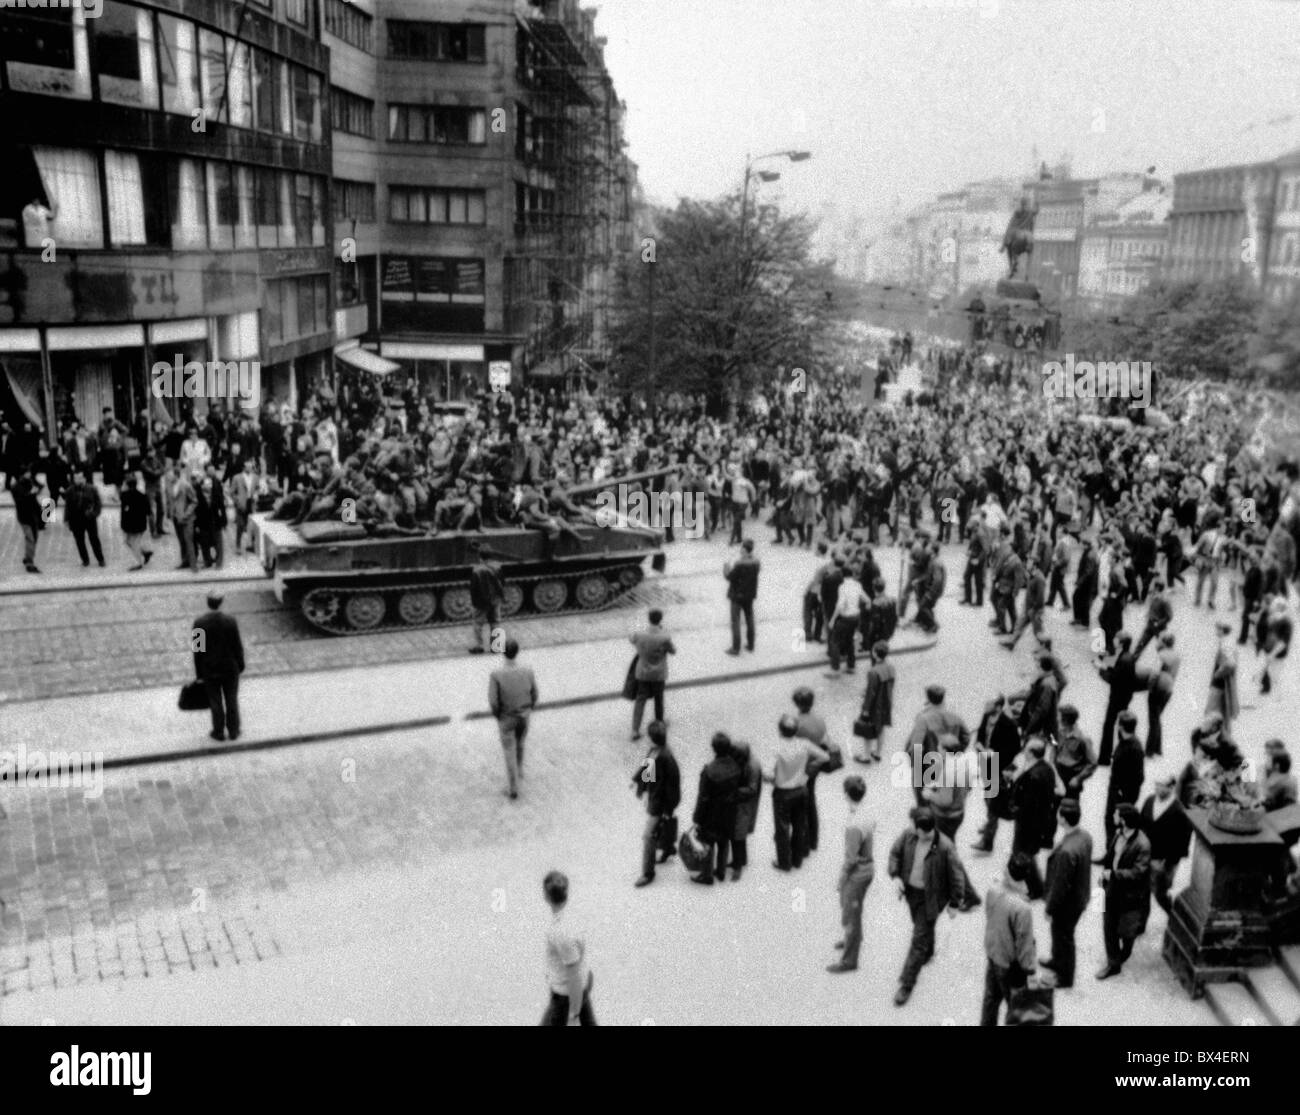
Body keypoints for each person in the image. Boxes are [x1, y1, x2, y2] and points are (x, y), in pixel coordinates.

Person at [887, 806, 965, 1006]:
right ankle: (928, 951)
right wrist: (895, 876)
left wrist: (955, 903)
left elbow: (957, 877)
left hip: (931, 899)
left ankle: (907, 983)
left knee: (918, 939)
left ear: (925, 830)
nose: (915, 832)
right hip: (911, 894)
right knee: (923, 928)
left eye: (918, 830)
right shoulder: (909, 835)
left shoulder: (945, 847)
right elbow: (895, 853)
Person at [765, 714, 829, 872]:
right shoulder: (804, 744)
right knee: (800, 825)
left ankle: (784, 863)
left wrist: (772, 780)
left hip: (782, 793)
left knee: (782, 829)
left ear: (780, 731)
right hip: (801, 789)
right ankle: (797, 859)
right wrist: (807, 773)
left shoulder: (776, 748)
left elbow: (768, 774)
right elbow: (825, 757)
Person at [981, 852, 1038, 1026]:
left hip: (993, 954)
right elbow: (1024, 943)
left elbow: (990, 915)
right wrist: (1030, 970)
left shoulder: (993, 890)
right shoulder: (1022, 907)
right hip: (1010, 965)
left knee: (991, 1000)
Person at [1097, 803, 1152, 980]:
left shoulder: (1143, 844)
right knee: (1108, 925)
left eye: (1116, 814)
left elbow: (1138, 872)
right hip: (1110, 887)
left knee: (1127, 929)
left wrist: (1113, 874)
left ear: (1123, 820)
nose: (1113, 816)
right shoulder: (1119, 833)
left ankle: (1126, 950)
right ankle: (1113, 964)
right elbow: (1112, 855)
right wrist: (1104, 871)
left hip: (1129, 894)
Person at [827, 776, 875, 974]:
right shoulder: (866, 812)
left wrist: (841, 879)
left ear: (847, 794)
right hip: (867, 868)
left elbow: (851, 859)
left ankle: (849, 960)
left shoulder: (853, 825)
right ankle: (853, 938)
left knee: (850, 913)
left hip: (857, 873)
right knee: (854, 910)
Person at [1043, 798, 1092, 988]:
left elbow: (1060, 885)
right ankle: (1056, 961)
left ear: (1062, 819)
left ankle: (1064, 978)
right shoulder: (1084, 836)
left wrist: (1049, 908)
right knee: (1059, 933)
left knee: (1064, 937)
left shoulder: (1066, 851)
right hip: (1079, 897)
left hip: (1067, 904)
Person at [540, 870, 596, 1026]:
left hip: (565, 995)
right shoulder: (573, 915)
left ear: (546, 896)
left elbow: (573, 975)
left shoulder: (560, 932)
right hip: (582, 982)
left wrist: (574, 1014)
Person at [972, 692, 1025, 853]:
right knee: (988, 798)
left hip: (997, 766)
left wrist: (994, 755)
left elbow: (1015, 748)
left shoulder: (1008, 724)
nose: (986, 706)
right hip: (985, 763)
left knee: (993, 802)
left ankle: (988, 840)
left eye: (990, 704)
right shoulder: (986, 717)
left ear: (999, 707)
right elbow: (980, 735)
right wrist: (979, 746)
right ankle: (990, 822)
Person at [1009, 736, 1058, 900]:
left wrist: (1015, 811)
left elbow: (1028, 805)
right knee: (1027, 853)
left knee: (1023, 854)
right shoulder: (1046, 768)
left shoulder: (1033, 775)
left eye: (1026, 749)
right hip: (1041, 820)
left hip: (1028, 823)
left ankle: (1035, 889)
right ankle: (1034, 884)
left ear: (1031, 753)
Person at [192, 590, 245, 742]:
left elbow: (198, 650)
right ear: (221, 602)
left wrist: (199, 673)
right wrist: (240, 665)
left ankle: (218, 732)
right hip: (230, 667)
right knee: (232, 700)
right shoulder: (231, 621)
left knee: (215, 702)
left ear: (208, 603)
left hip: (210, 669)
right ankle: (234, 731)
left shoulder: (199, 623)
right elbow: (237, 645)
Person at [488, 637, 537, 800]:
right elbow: (534, 694)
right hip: (524, 715)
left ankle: (513, 788)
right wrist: (528, 709)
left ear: (503, 653)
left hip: (506, 718)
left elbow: (494, 702)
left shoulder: (496, 674)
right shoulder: (528, 670)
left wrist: (499, 716)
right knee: (520, 743)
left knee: (509, 750)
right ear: (517, 652)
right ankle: (520, 770)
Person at [633, 720, 681, 887]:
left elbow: (671, 784)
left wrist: (668, 807)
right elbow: (647, 771)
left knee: (648, 836)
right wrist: (640, 783)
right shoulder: (658, 752)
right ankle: (668, 848)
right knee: (662, 825)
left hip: (660, 802)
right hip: (658, 799)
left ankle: (648, 873)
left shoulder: (664, 756)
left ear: (652, 738)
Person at [690, 733, 742, 885]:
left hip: (712, 815)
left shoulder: (709, 771)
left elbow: (703, 797)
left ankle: (707, 875)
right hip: (729, 813)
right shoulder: (735, 766)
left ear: (714, 749)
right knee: (724, 841)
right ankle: (721, 871)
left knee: (708, 843)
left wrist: (697, 817)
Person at [1139, 773, 1192, 915]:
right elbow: (1141, 825)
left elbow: (1183, 842)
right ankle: (1140, 924)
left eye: (1162, 786)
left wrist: (1169, 863)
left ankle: (1174, 913)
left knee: (1159, 892)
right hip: (1146, 856)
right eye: (1156, 784)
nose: (1158, 789)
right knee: (1143, 891)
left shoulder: (1179, 810)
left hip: (1164, 862)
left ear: (1171, 787)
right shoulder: (1149, 801)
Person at [792, 688, 833, 851]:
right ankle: (813, 839)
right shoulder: (819, 719)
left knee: (801, 804)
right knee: (811, 800)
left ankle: (804, 841)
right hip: (815, 764)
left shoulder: (796, 722)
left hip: (802, 766)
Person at [630, 608, 675, 741]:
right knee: (658, 698)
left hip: (642, 672)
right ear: (660, 620)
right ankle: (659, 723)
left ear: (649, 619)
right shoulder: (664, 636)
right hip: (658, 673)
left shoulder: (639, 634)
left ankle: (635, 730)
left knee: (640, 699)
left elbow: (631, 639)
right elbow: (673, 651)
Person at [1098, 632, 1142, 766]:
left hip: (1118, 696)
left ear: (1121, 643)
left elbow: (1114, 679)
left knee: (1109, 725)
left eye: (1117, 640)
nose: (1114, 642)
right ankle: (1119, 755)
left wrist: (1101, 669)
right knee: (1120, 724)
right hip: (1125, 696)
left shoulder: (1124, 659)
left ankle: (1104, 758)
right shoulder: (1128, 657)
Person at [1105, 711, 1145, 847]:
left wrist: (1124, 792)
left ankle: (1114, 855)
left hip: (1123, 794)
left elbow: (1139, 777)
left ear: (1120, 726)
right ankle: (1109, 852)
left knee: (1119, 822)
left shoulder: (1135, 748)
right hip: (1116, 789)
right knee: (1110, 820)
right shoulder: (1124, 741)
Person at [855, 640, 895, 764]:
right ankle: (877, 753)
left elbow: (870, 693)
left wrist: (866, 710)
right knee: (881, 728)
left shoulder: (873, 671)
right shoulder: (891, 667)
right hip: (886, 703)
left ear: (875, 653)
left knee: (868, 730)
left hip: (874, 706)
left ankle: (866, 756)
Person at [825, 562, 869, 675]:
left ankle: (835, 668)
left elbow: (840, 605)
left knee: (834, 641)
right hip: (856, 617)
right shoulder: (857, 585)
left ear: (842, 576)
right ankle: (851, 665)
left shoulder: (842, 587)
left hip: (846, 618)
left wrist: (833, 619)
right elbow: (866, 599)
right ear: (852, 574)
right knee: (849, 640)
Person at [729, 740, 763, 880]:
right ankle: (742, 859)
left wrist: (734, 791)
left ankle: (738, 866)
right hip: (742, 803)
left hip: (746, 805)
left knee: (738, 833)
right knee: (738, 833)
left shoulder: (752, 766)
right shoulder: (747, 761)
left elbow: (752, 789)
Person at [723, 539, 760, 656]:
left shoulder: (739, 564)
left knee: (736, 621)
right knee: (750, 619)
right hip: (749, 595)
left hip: (737, 595)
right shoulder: (756, 562)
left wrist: (726, 567)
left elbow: (730, 577)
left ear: (745, 549)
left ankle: (736, 648)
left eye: (741, 549)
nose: (740, 551)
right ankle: (751, 644)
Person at [1053, 705, 1097, 800]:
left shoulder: (1082, 739)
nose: (1057, 718)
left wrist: (1078, 778)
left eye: (1059, 716)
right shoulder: (1059, 733)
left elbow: (1093, 763)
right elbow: (1054, 745)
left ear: (1065, 720)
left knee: (1069, 807)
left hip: (1071, 778)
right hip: (1058, 774)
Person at [1205, 621, 1240, 740]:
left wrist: (1218, 674)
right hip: (1225, 684)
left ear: (1221, 630)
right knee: (1224, 713)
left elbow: (1230, 664)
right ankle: (1225, 737)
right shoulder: (1229, 641)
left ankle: (1214, 738)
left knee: (1211, 711)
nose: (1215, 632)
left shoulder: (1226, 644)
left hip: (1220, 684)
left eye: (1217, 629)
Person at [64, 471, 105, 567]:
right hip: (76, 519)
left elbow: (98, 503)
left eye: (79, 478)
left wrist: (94, 514)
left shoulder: (92, 489)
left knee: (94, 539)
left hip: (89, 518)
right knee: (79, 541)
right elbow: (67, 506)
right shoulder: (70, 490)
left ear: (84, 479)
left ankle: (100, 559)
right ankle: (85, 560)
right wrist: (66, 519)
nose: (77, 480)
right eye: (75, 478)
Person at [468, 553, 505, 654]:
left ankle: (479, 646)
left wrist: (474, 602)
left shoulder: (476, 570)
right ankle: (497, 646)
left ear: (480, 558)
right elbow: (502, 583)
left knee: (478, 623)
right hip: (495, 600)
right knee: (496, 621)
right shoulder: (498, 567)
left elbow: (473, 588)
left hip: (481, 601)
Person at [120, 471, 154, 571]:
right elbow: (149, 512)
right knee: (130, 542)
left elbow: (123, 509)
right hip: (140, 525)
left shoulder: (124, 496)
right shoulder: (142, 496)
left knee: (131, 542)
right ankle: (145, 553)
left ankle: (138, 562)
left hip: (129, 525)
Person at [13, 464, 43, 573]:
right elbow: (21, 501)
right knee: (31, 538)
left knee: (34, 537)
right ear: (22, 474)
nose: (29, 474)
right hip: (24, 517)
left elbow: (34, 496)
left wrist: (36, 491)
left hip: (33, 515)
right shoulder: (16, 487)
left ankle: (27, 557)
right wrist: (31, 493)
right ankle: (29, 563)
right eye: (27, 473)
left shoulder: (29, 482)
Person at [170, 466, 198, 571]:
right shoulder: (172, 485)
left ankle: (193, 564)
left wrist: (187, 514)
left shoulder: (185, 485)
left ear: (176, 475)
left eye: (170, 475)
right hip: (176, 518)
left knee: (188, 540)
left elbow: (194, 501)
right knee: (181, 540)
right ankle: (185, 561)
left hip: (187, 518)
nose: (169, 478)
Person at [1071, 536, 1099, 627]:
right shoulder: (1089, 552)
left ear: (1085, 545)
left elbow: (1088, 571)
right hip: (1086, 582)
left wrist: (1079, 582)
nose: (1080, 546)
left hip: (1087, 583)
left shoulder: (1089, 555)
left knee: (1081, 600)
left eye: (1081, 544)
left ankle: (1084, 621)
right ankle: (1079, 618)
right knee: (1078, 599)